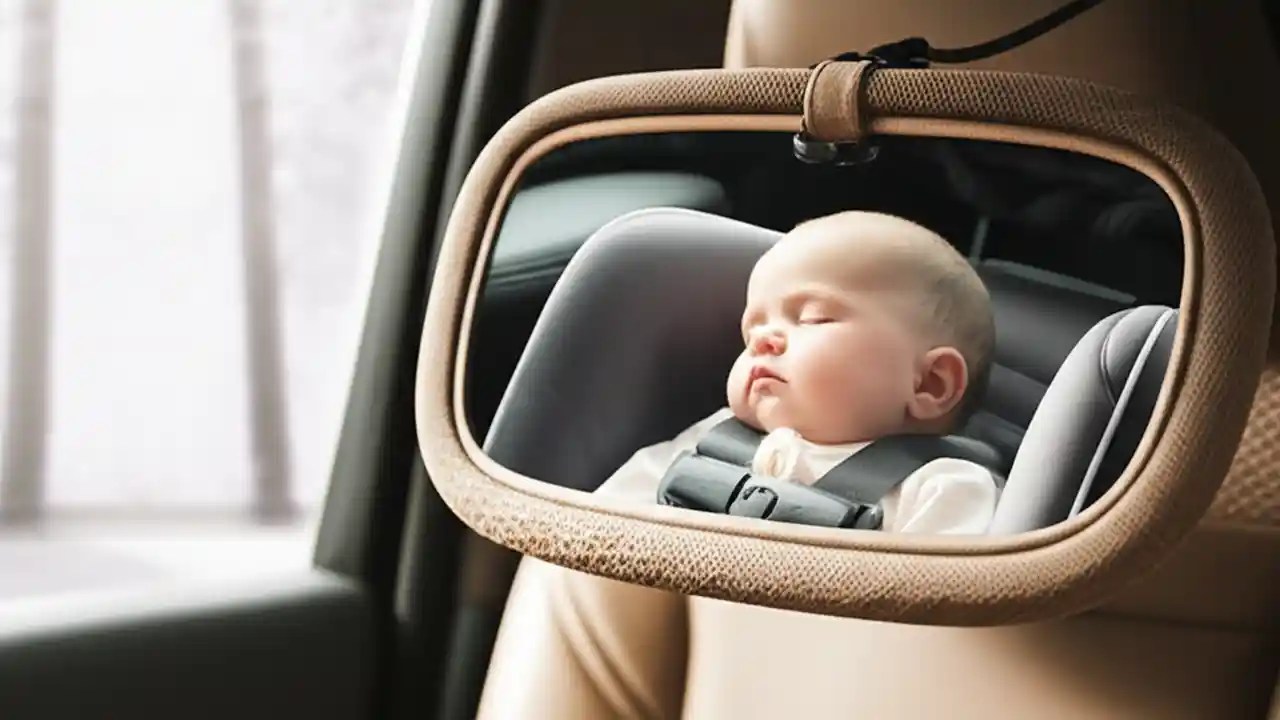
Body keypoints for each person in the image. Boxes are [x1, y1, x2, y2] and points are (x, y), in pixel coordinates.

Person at [598, 210, 999, 534]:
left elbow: (947, 605)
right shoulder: (712, 440)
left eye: (813, 318)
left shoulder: (945, 488)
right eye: (751, 331)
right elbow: (600, 524)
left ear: (929, 383)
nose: (763, 340)